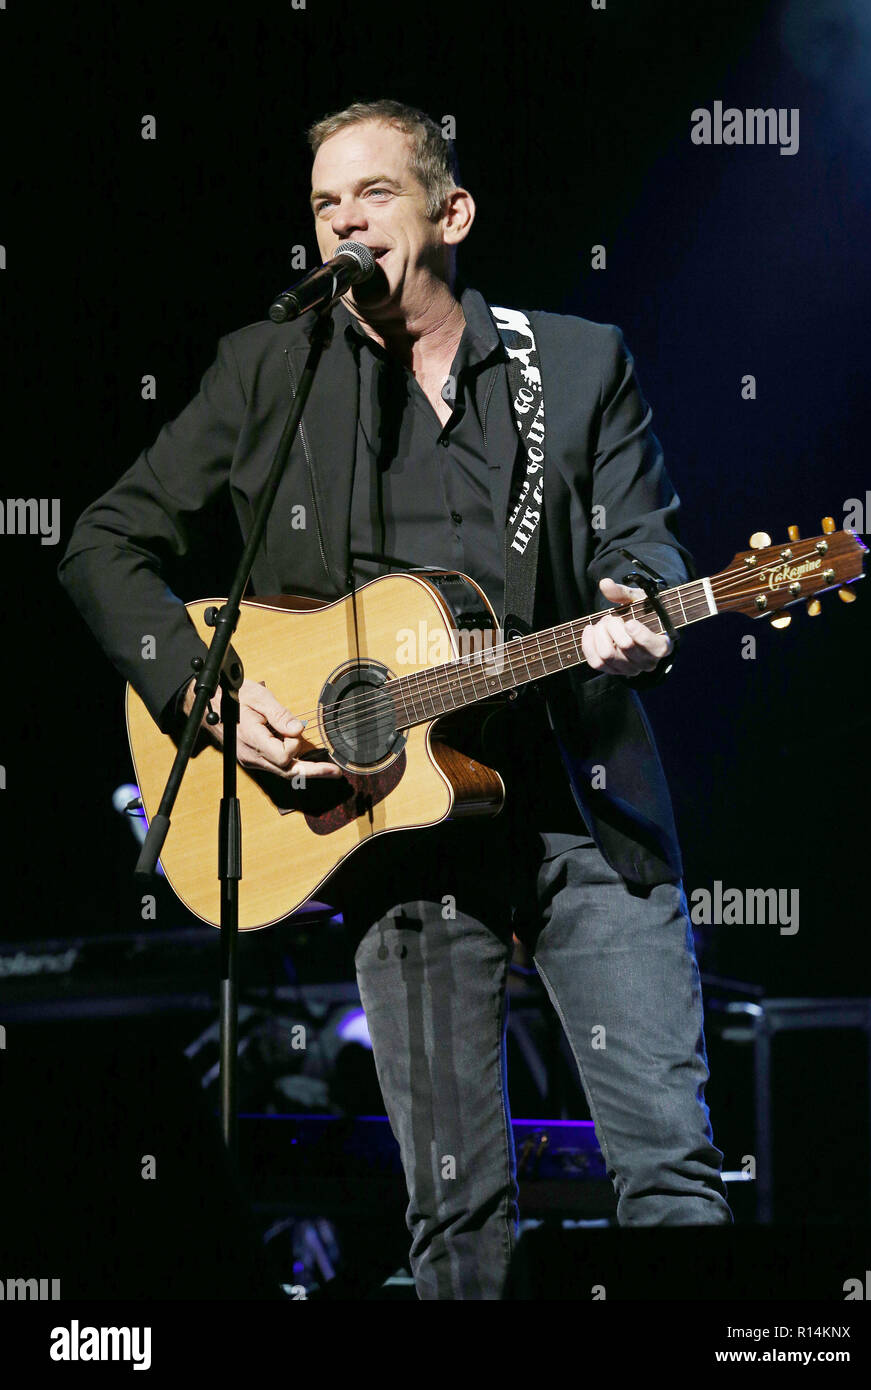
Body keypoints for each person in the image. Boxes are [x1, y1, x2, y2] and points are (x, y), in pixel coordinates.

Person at [58, 98, 732, 1300]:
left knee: (671, 1177)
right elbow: (102, 543)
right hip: (399, 842)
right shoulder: (270, 369)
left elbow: (652, 552)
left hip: (582, 812)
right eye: (324, 204)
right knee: (454, 1225)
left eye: (372, 195)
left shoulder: (574, 365)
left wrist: (647, 612)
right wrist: (202, 691)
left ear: (449, 214)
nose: (344, 224)